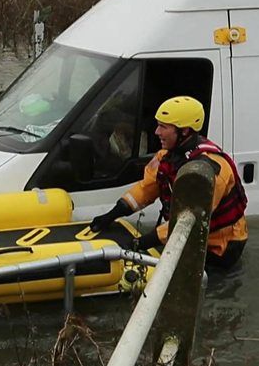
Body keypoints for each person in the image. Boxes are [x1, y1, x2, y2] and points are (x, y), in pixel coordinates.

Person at [88, 96, 248, 268]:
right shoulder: (167, 156)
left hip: (219, 247)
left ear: (184, 131)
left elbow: (188, 220)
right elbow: (145, 190)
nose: (156, 132)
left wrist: (139, 243)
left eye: (163, 127)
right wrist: (112, 214)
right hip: (185, 234)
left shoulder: (209, 172)